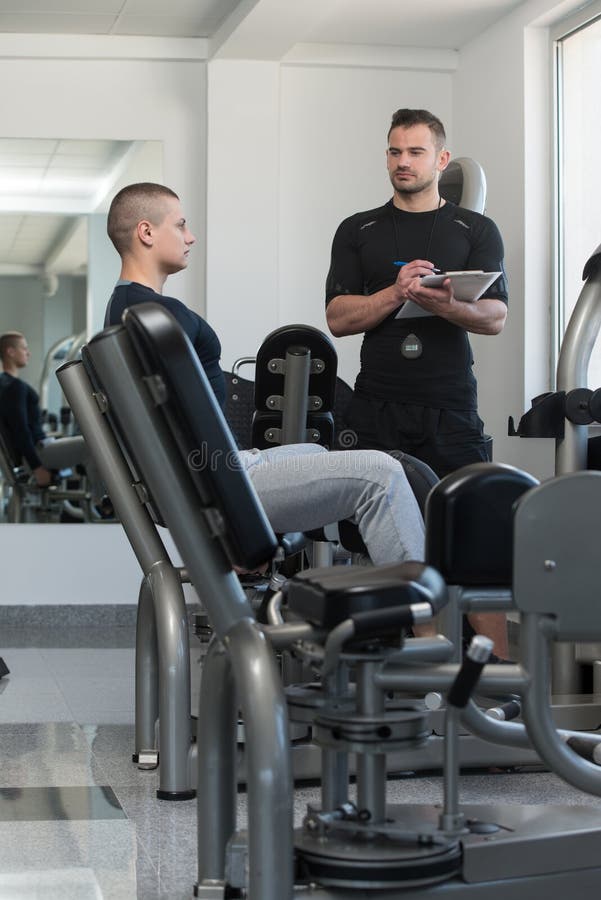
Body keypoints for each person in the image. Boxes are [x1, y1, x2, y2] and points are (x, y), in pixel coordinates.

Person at [104, 182, 436, 630]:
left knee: (317, 454)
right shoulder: (154, 316)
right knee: (385, 474)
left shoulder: (126, 309)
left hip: (207, 475)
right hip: (218, 480)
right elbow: (188, 426)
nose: (190, 236)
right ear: (146, 232)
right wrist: (228, 534)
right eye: (180, 225)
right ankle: (422, 641)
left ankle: (373, 625)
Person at [325, 108, 509, 657]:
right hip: (377, 406)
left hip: (450, 406)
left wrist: (445, 302)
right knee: (379, 540)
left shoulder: (475, 230)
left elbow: (495, 318)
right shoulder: (358, 229)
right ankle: (393, 664)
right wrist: (396, 293)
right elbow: (337, 319)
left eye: (415, 152)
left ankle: (498, 673)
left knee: (475, 534)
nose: (402, 162)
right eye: (393, 151)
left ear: (441, 159)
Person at [0, 331, 103, 500]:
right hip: (38, 453)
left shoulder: (6, 385)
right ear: (10, 352)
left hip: (39, 448)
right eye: (24, 348)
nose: (28, 353)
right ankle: (105, 504)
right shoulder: (14, 387)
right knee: (93, 445)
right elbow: (20, 430)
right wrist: (37, 468)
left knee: (90, 447)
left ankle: (102, 502)